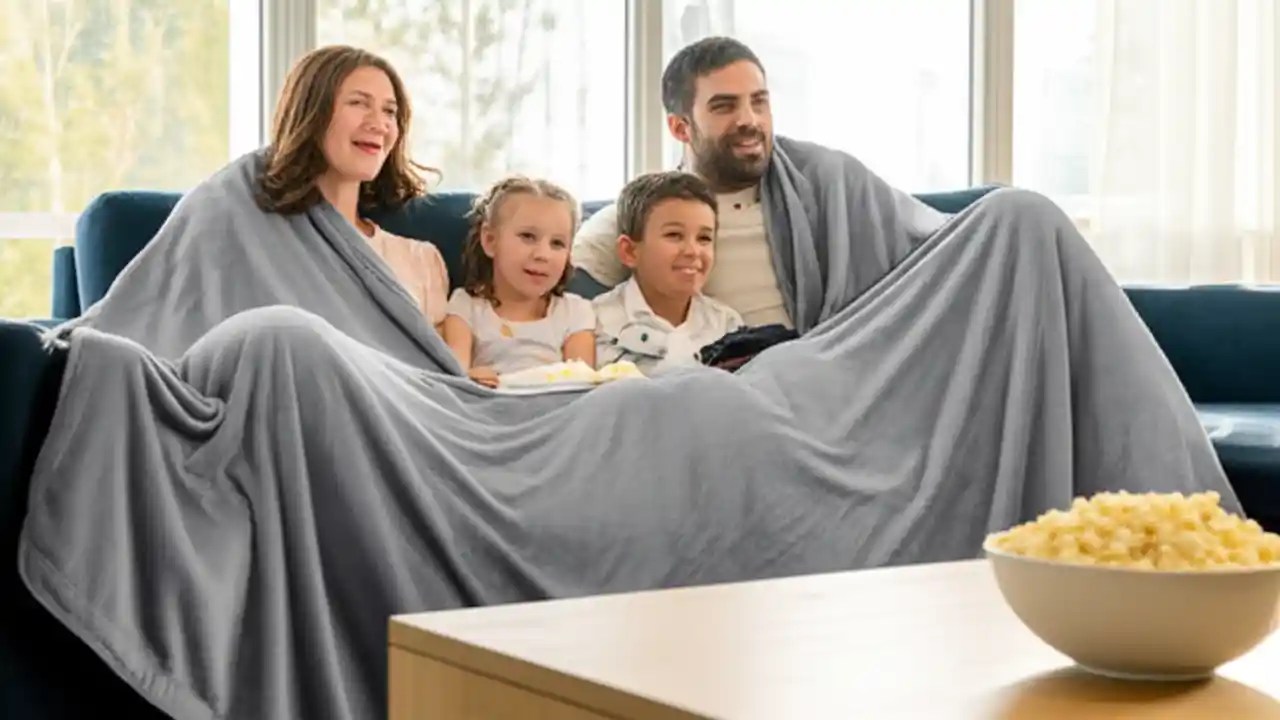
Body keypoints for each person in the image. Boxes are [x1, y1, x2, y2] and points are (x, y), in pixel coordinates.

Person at [571, 36, 950, 330]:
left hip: (827, 370)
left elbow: (943, 245)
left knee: (1007, 212)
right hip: (719, 386)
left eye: (759, 101)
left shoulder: (828, 179)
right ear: (680, 127)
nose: (749, 120)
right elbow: (547, 288)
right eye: (724, 106)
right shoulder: (646, 213)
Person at [256, 45, 450, 330]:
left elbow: (440, 368)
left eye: (389, 111)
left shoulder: (420, 260)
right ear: (312, 112)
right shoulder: (261, 246)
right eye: (359, 103)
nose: (379, 124)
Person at [442, 176, 596, 387]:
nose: (543, 254)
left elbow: (583, 383)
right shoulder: (465, 305)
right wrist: (471, 378)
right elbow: (453, 378)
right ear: (490, 241)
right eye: (527, 236)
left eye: (557, 243)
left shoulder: (576, 312)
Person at [593, 171, 744, 374]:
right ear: (629, 251)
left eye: (704, 238)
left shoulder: (727, 325)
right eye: (674, 235)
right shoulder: (595, 324)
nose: (692, 251)